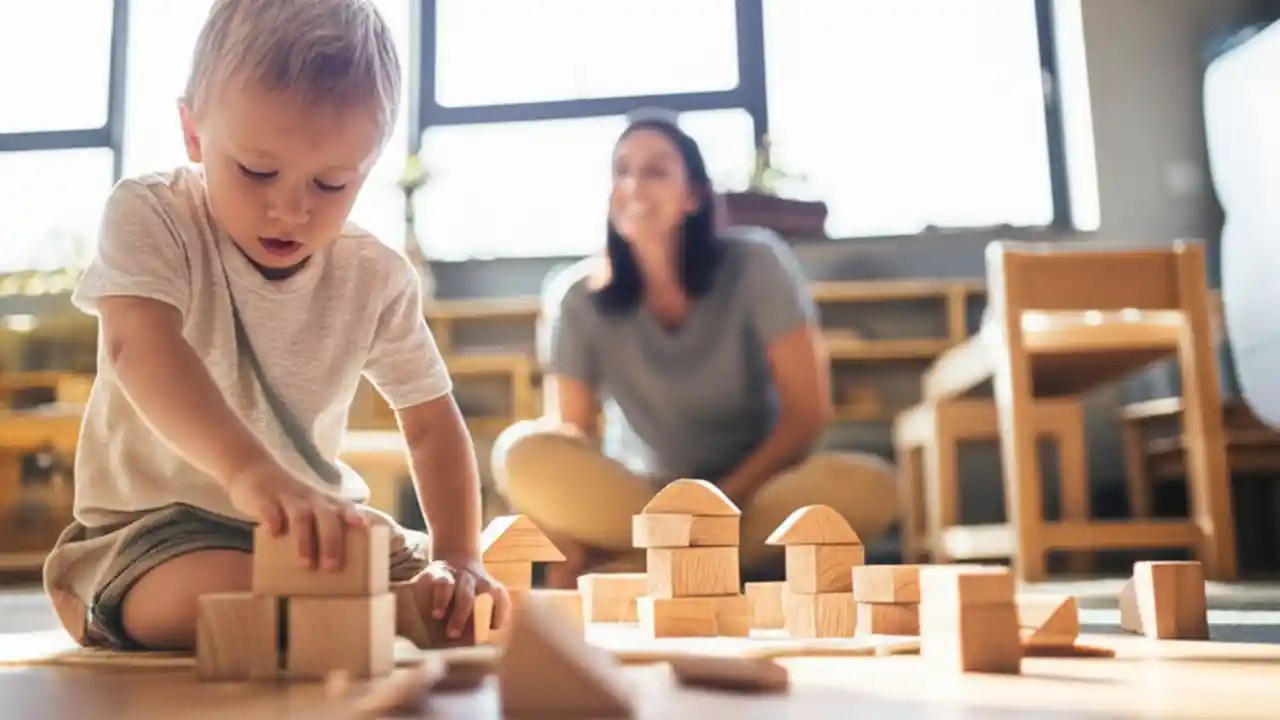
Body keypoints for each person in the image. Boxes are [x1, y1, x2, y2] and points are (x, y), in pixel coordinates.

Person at [41, 0, 509, 650]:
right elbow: (137, 345)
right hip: (158, 529)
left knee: (455, 580)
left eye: (332, 183)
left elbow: (431, 423)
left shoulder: (376, 276)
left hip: (319, 527)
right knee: (206, 593)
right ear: (194, 133)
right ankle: (381, 616)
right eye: (257, 171)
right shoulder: (151, 215)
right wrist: (251, 474)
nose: (290, 208)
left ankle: (381, 602)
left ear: (368, 165)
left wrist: (460, 557)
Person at [491, 116, 898, 587]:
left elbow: (807, 414)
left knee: (870, 486)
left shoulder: (758, 264)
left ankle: (652, 567)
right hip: (643, 499)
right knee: (521, 453)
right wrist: (579, 539)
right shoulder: (576, 297)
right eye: (621, 171)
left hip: (752, 494)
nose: (633, 184)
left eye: (655, 171)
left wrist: (718, 505)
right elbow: (573, 432)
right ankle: (706, 565)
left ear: (694, 196)